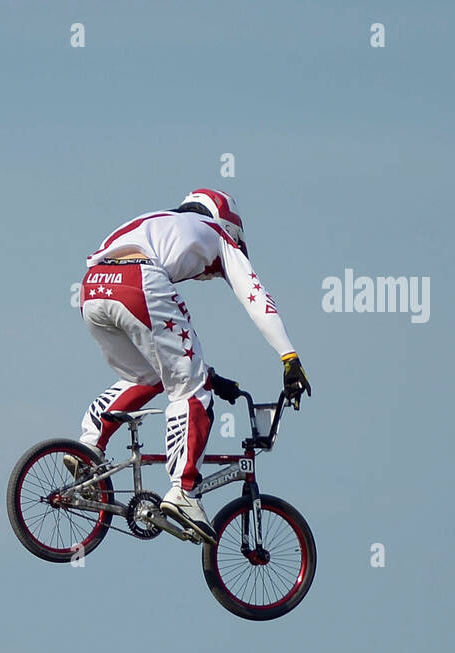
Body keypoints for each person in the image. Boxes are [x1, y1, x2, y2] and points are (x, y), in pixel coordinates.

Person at [75, 188, 311, 540]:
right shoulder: (218, 234)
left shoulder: (157, 221)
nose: (207, 277)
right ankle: (184, 490)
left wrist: (212, 377)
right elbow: (255, 297)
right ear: (230, 228)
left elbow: (167, 357)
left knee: (147, 376)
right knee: (192, 392)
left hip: (93, 288)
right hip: (141, 283)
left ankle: (88, 446)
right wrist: (289, 357)